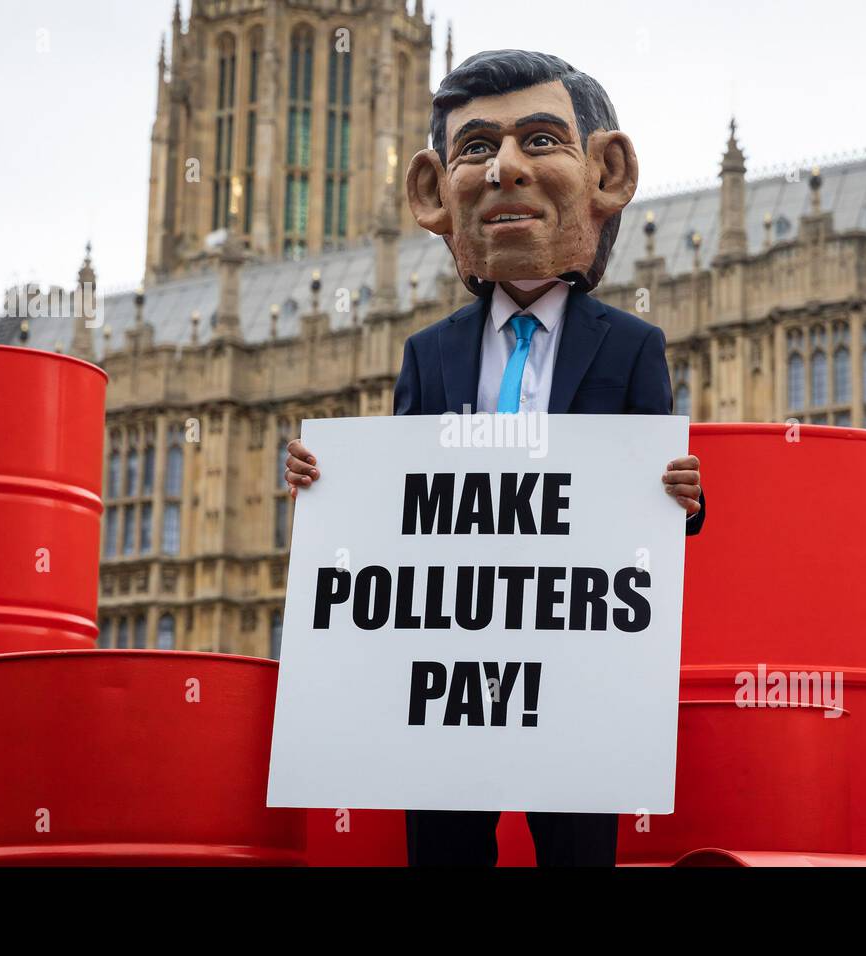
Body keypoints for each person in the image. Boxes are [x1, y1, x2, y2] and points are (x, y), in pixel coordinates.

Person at [285, 49, 704, 866]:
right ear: (435, 192)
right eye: (476, 150)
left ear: (605, 171)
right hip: (447, 682)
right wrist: (325, 489)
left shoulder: (630, 346)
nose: (506, 169)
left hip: (574, 678)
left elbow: (651, 533)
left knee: (576, 851)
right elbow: (394, 516)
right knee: (446, 845)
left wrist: (682, 500)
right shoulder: (427, 353)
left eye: (541, 141)